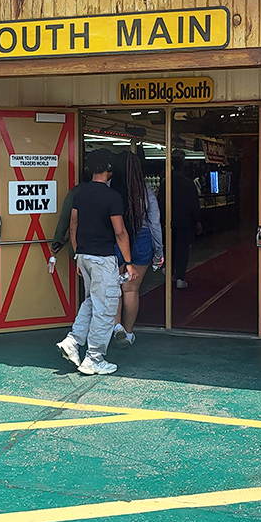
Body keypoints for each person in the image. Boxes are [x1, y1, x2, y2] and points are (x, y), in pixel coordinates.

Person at [56, 148, 137, 375]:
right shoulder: (112, 197)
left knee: (92, 301)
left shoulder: (80, 194)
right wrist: (129, 263)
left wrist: (77, 254)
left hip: (83, 257)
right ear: (109, 168)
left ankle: (73, 341)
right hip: (103, 259)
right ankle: (94, 358)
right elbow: (120, 232)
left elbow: (74, 225)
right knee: (106, 308)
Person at [111, 151, 164, 348]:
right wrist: (159, 251)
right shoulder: (145, 190)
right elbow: (155, 222)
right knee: (131, 289)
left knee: (114, 289)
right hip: (142, 239)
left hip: (116, 239)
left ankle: (116, 327)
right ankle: (129, 332)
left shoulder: (111, 188)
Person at [158, 150, 202, 289]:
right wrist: (197, 220)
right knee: (182, 248)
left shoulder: (165, 183)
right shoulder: (188, 184)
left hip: (168, 221)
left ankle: (170, 271)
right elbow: (194, 203)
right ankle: (180, 277)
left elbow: (160, 202)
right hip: (184, 221)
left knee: (169, 247)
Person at [46, 167, 91, 274]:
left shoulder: (76, 192)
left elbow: (65, 219)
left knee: (86, 281)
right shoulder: (109, 192)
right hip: (105, 248)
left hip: (80, 244)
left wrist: (57, 243)